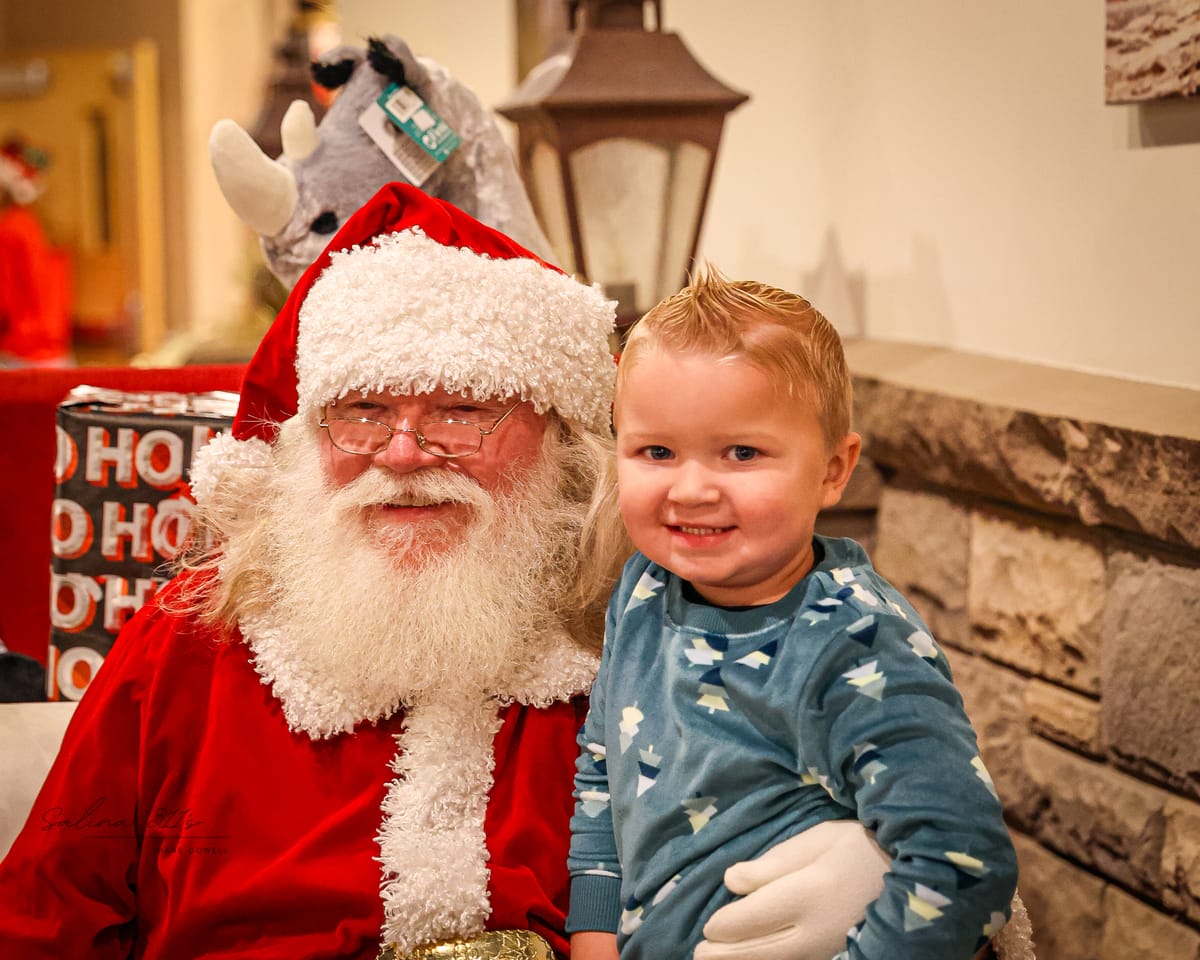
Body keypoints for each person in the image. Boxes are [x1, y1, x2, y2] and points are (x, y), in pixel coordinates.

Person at [0, 185, 892, 959]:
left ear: (564, 442)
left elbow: (906, 790)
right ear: (311, 438)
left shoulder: (668, 630)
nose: (401, 451)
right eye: (361, 410)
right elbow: (44, 919)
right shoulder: (194, 639)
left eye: (462, 410)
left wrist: (877, 868)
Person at [567, 267, 1021, 960]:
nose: (691, 489)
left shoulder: (854, 643)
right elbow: (604, 768)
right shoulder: (644, 589)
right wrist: (594, 939)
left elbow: (962, 862)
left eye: (742, 452)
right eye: (656, 451)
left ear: (833, 470)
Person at [0, 135, 72, 367]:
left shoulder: (9, 230)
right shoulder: (38, 226)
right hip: (54, 352)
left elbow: (4, 299)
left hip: (19, 354)